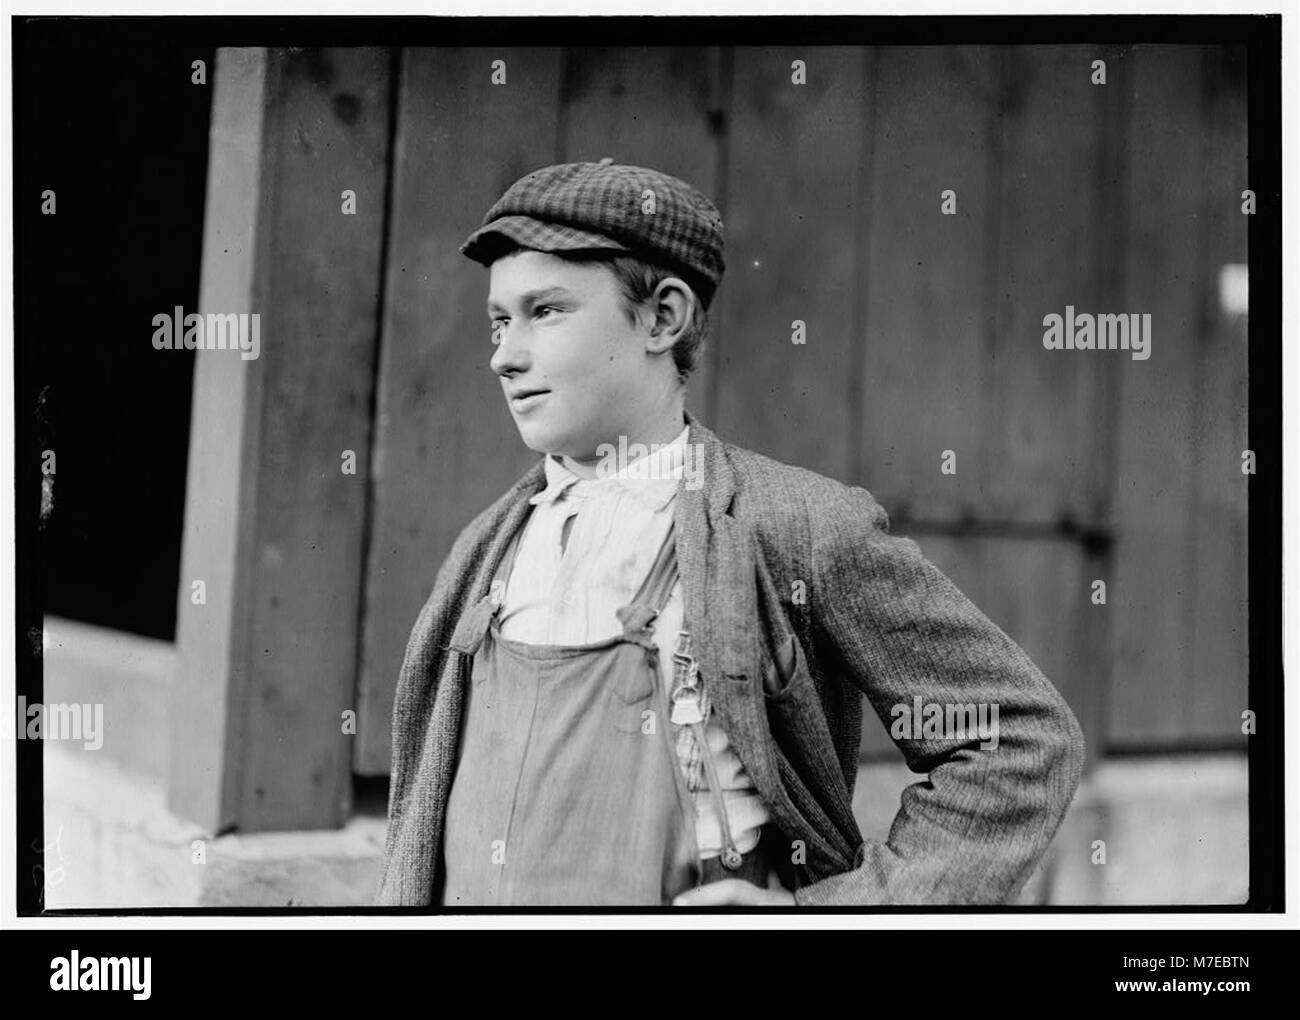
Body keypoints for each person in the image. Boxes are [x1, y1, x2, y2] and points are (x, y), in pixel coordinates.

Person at [377, 158, 1086, 907]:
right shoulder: (486, 549)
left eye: (546, 312)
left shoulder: (794, 526)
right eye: (498, 320)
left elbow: (1019, 740)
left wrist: (835, 915)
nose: (504, 356)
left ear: (663, 317)